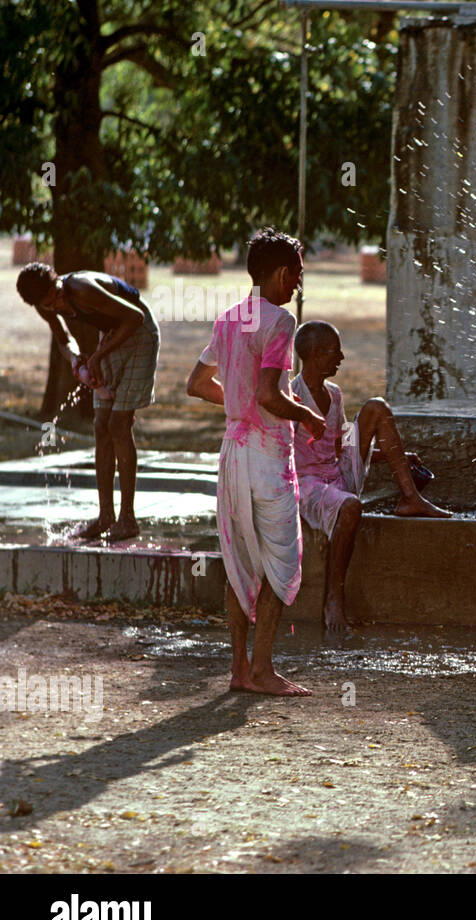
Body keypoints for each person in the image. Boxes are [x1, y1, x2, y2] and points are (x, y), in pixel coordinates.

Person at [185, 227, 325, 697]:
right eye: (297, 275)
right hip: (267, 459)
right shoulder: (280, 323)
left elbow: (197, 383)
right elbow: (270, 394)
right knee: (277, 564)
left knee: (239, 562)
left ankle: (240, 670)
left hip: (232, 453)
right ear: (283, 273)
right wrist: (306, 414)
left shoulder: (230, 317)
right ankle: (263, 670)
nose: (297, 286)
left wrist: (238, 405)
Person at [291, 320, 450, 639]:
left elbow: (340, 445)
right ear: (313, 354)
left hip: (337, 474)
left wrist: (393, 457)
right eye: (335, 352)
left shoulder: (334, 394)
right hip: (307, 485)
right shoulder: (291, 396)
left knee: (377, 406)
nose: (342, 358)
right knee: (350, 507)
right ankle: (334, 598)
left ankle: (410, 498)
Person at [16, 262, 160, 541]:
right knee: (100, 426)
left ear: (57, 281)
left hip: (139, 334)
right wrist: (75, 360)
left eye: (57, 295)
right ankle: (106, 515)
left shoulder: (82, 288)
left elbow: (135, 317)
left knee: (119, 424)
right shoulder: (43, 303)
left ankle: (127, 518)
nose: (57, 304)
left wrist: (96, 357)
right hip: (111, 337)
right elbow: (63, 338)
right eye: (49, 304)